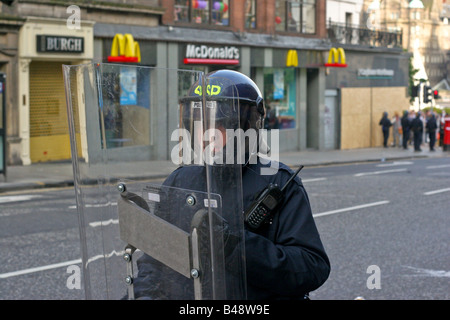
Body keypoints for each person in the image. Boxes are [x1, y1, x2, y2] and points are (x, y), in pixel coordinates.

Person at [130, 70, 330, 300]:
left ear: (245, 130)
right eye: (200, 127)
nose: (207, 136)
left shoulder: (279, 182)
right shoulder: (181, 180)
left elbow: (313, 267)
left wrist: (234, 246)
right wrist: (142, 295)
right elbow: (154, 260)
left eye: (219, 127)